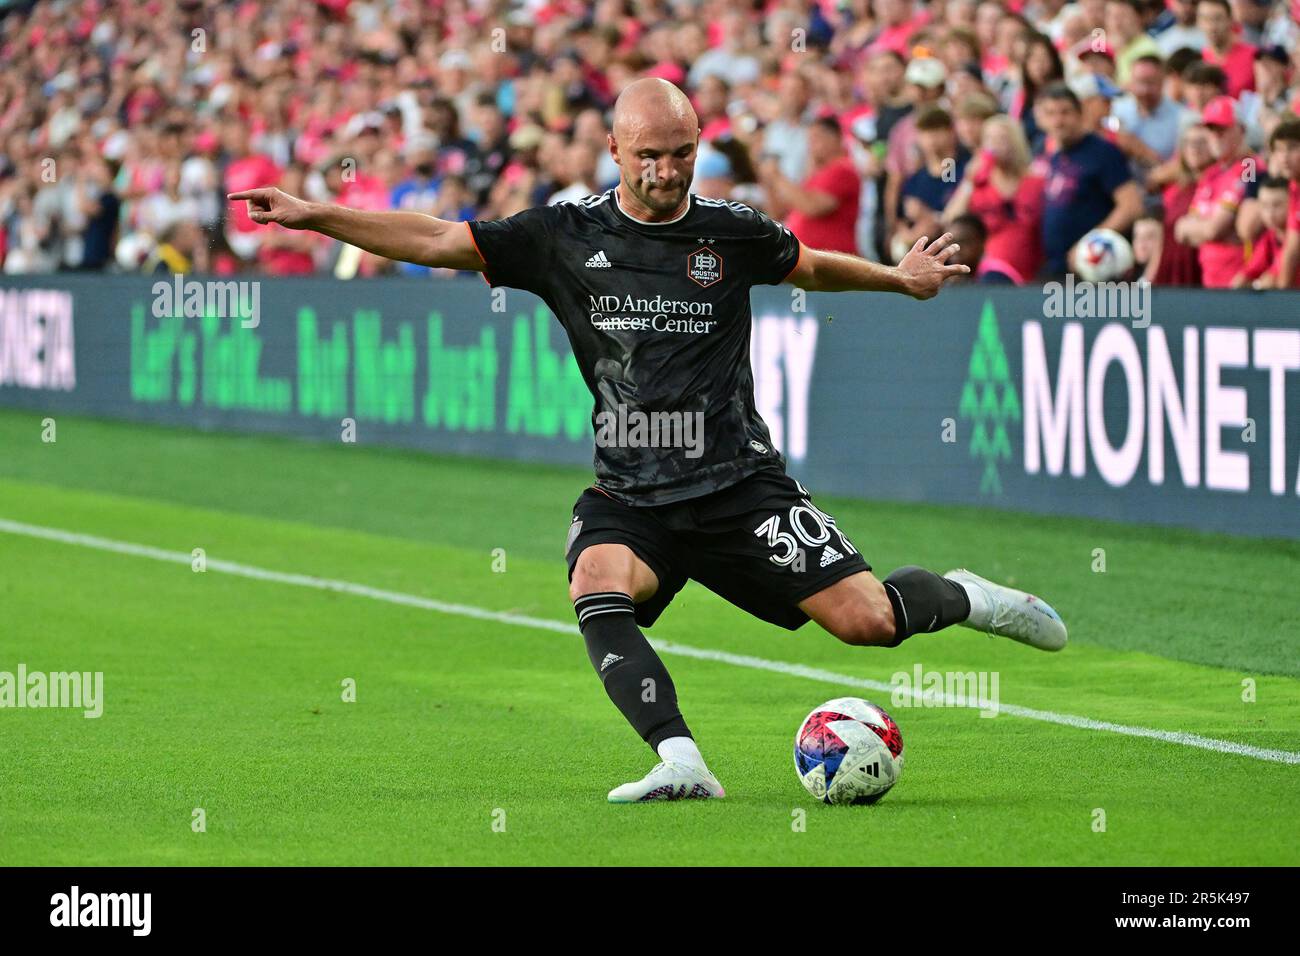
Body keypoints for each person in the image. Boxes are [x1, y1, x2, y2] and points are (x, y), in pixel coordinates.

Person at [230, 78, 1068, 804]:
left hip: (740, 484)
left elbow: (810, 265)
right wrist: (318, 216)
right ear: (614, 149)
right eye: (650, 156)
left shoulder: (733, 231)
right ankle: (680, 759)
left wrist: (902, 278)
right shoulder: (562, 235)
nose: (667, 172)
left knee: (869, 624)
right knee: (595, 580)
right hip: (632, 493)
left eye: (682, 154)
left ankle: (972, 597)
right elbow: (440, 238)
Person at [1035, 83, 1143, 275]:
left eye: (1065, 112)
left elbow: (1131, 206)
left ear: (1079, 114)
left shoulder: (1102, 152)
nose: (1058, 121)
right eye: (1050, 114)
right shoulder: (1054, 156)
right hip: (1056, 266)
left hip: (1092, 267)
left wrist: (1089, 245)